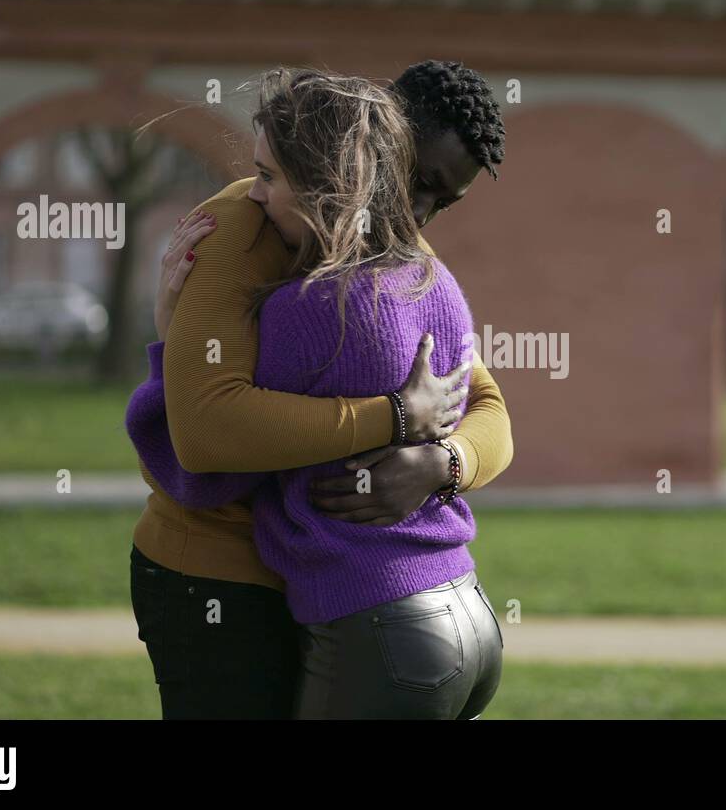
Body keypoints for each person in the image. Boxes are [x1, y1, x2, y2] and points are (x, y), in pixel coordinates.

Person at [127, 61, 512, 719]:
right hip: (221, 579)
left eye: (441, 200)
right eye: (418, 181)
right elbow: (206, 434)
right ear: (368, 148)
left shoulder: (395, 256)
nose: (419, 214)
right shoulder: (242, 229)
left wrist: (442, 463)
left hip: (344, 596)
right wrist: (393, 417)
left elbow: (486, 408)